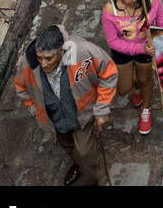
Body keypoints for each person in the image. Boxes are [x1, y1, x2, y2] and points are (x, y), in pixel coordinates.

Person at [14, 23, 117, 187]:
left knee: (85, 152)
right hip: (55, 121)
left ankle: (91, 179)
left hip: (82, 117)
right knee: (68, 146)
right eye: (40, 58)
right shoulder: (28, 62)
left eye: (49, 58)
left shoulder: (84, 52)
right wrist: (35, 110)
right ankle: (80, 165)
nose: (43, 64)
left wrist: (102, 108)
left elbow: (109, 73)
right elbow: (21, 88)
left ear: (61, 51)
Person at [101, 0, 163, 137]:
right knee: (124, 89)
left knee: (145, 79)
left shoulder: (153, 0)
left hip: (147, 49)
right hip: (123, 52)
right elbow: (113, 41)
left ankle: (146, 108)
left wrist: (157, 42)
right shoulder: (110, 10)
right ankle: (138, 89)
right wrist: (139, 48)